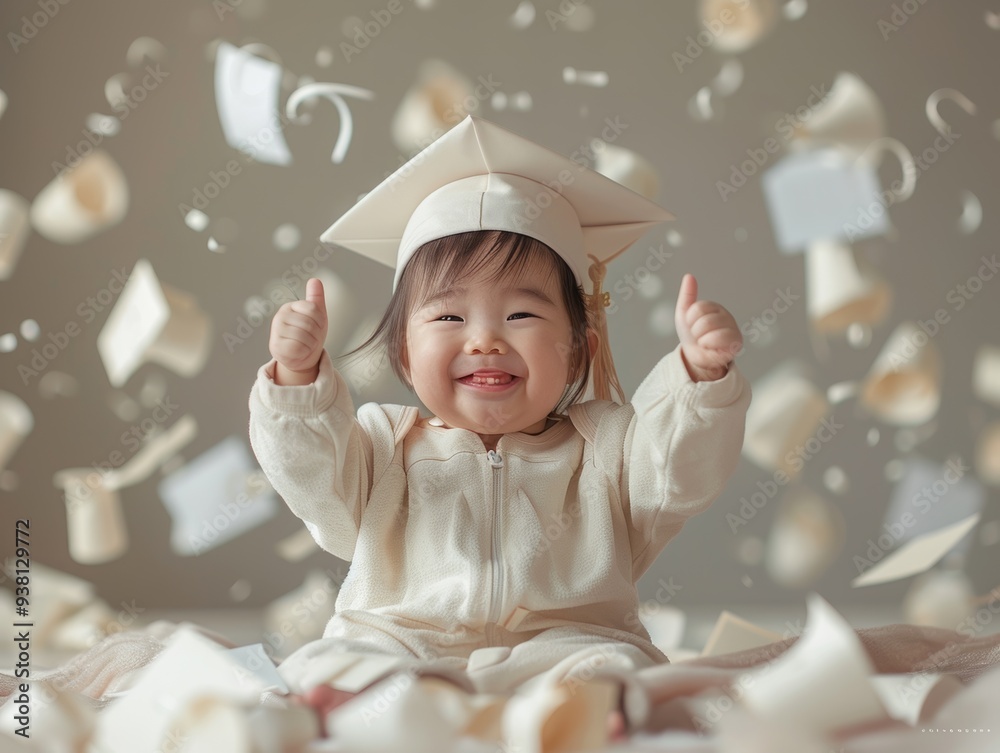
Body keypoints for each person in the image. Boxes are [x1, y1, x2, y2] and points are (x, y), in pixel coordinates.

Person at [248, 116, 751, 740]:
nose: (484, 338)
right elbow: (309, 473)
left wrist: (699, 377)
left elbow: (680, 468)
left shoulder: (611, 450)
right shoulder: (381, 447)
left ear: (579, 352)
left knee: (615, 667)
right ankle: (382, 709)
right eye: (450, 315)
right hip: (402, 642)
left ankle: (585, 721)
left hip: (561, 648)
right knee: (333, 662)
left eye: (520, 313)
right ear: (404, 355)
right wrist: (298, 380)